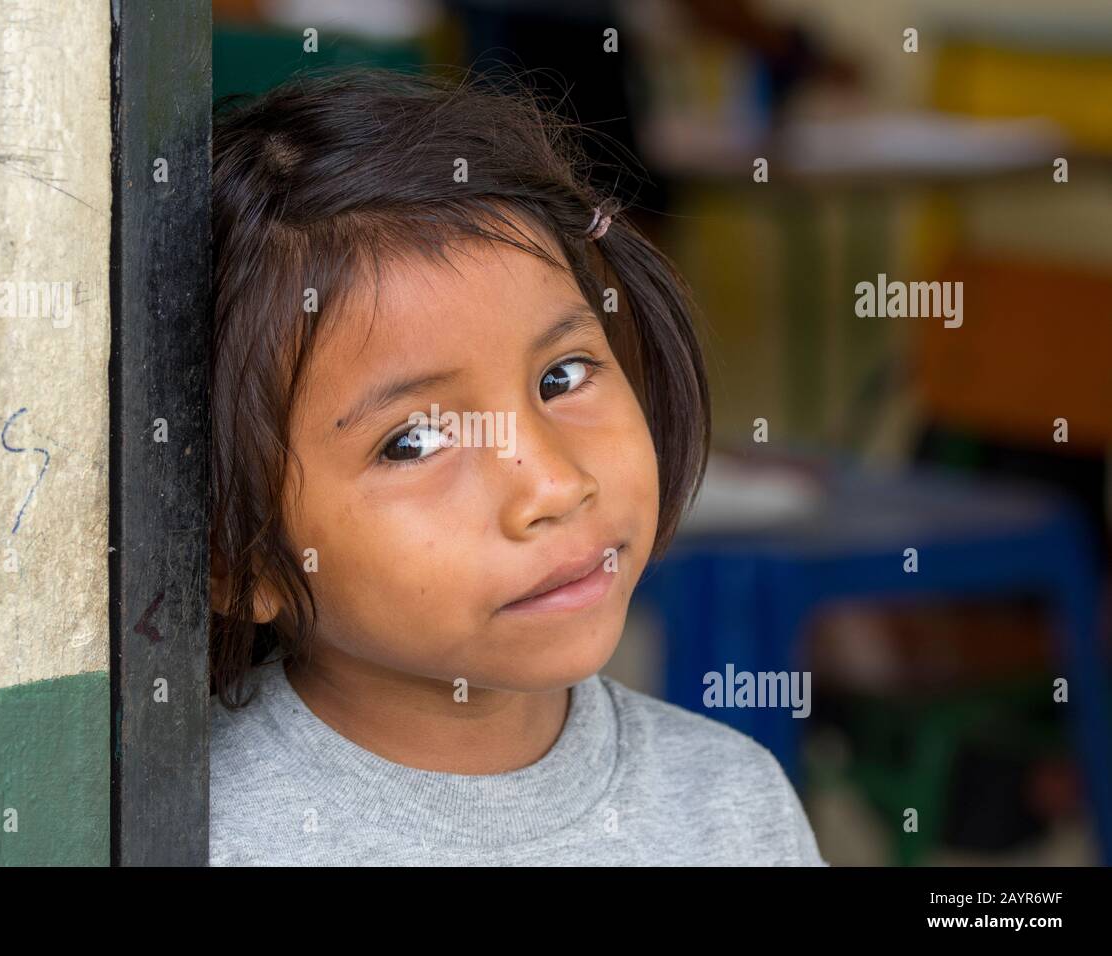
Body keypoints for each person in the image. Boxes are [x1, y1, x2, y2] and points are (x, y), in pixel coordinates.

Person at [207, 68, 825, 866]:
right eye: (415, 441)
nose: (554, 485)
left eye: (561, 377)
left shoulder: (729, 805)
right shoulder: (196, 834)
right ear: (235, 556)